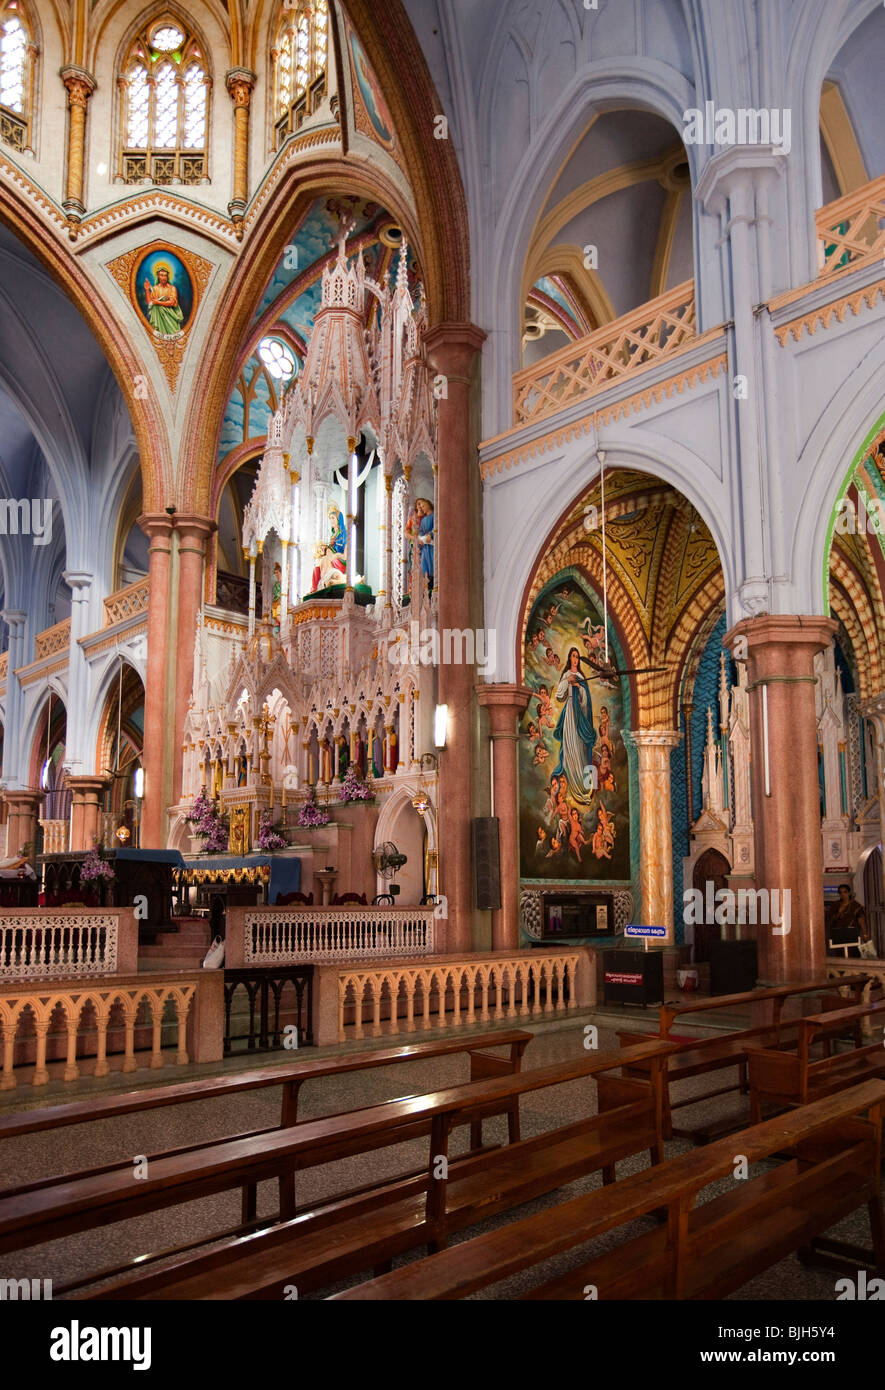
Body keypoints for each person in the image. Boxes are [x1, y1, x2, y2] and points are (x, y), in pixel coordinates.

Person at [553, 647, 597, 808]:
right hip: (569, 715)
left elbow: (586, 702)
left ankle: (582, 786)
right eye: (573, 656)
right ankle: (571, 782)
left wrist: (579, 687)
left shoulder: (581, 678)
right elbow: (559, 696)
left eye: (577, 656)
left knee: (579, 749)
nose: (575, 659)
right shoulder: (566, 675)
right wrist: (567, 681)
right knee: (569, 747)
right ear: (569, 658)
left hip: (579, 716)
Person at [828, 883, 870, 956]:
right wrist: (839, 911)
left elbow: (861, 920)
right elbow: (831, 920)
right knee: (840, 955)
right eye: (840, 892)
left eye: (845, 892)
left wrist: (865, 934)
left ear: (849, 893)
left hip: (852, 934)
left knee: (852, 954)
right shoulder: (836, 905)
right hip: (839, 934)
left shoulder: (855, 905)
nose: (843, 894)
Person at [143, 264, 183, 338]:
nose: (164, 277)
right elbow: (150, 303)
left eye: (165, 275)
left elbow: (172, 302)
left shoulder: (172, 288)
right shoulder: (155, 289)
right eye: (161, 275)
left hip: (171, 317)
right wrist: (147, 290)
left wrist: (158, 302)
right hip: (159, 319)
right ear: (158, 276)